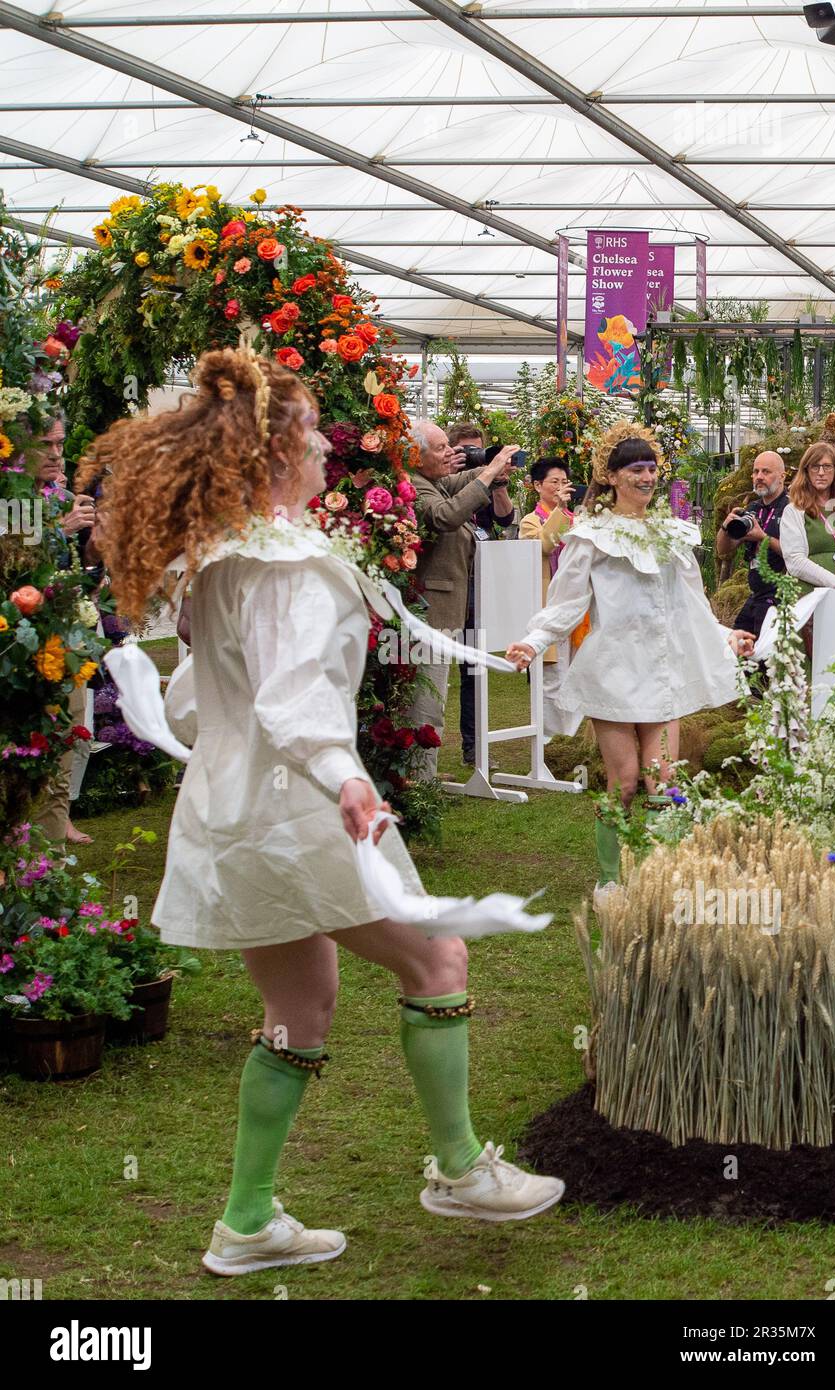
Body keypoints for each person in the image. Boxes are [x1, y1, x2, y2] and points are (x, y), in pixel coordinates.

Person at [93, 347, 564, 1277]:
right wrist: (341, 774)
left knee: (298, 1011)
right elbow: (294, 692)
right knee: (437, 958)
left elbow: (204, 696)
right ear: (272, 461)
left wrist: (240, 735)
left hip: (231, 810)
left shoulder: (222, 561)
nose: (326, 454)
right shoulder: (292, 563)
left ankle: (248, 1221)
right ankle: (462, 1168)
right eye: (311, 440)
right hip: (292, 807)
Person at [506, 422, 754, 900]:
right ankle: (609, 880)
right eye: (636, 469)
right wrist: (534, 643)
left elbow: (692, 604)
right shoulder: (592, 537)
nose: (647, 477)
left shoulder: (671, 535)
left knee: (664, 777)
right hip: (615, 672)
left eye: (651, 469)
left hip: (662, 672)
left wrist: (727, 637)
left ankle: (660, 881)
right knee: (622, 782)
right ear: (613, 476)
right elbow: (566, 604)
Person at [407, 421, 520, 777]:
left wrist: (493, 466)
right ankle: (419, 784)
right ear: (415, 455)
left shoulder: (433, 480)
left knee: (431, 699)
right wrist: (487, 475)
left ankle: (421, 775)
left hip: (442, 611)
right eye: (441, 449)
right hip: (429, 613)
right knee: (425, 706)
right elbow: (447, 515)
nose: (449, 455)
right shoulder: (414, 486)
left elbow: (459, 483)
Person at [32, 413, 97, 847]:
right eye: (47, 445)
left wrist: (95, 539)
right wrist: (59, 528)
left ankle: (50, 871)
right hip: (21, 649)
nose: (58, 454)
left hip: (66, 644)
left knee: (65, 754)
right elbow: (14, 560)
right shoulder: (9, 497)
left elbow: (76, 567)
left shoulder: (59, 494)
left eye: (61, 444)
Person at [447, 422, 516, 766]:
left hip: (479, 582)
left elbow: (504, 521)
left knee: (473, 668)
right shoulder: (443, 483)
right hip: (449, 581)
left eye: (479, 450)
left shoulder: (489, 483)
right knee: (423, 661)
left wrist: (498, 482)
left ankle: (473, 748)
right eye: (466, 452)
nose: (475, 457)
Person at [518, 458, 589, 734]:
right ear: (538, 486)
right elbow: (545, 545)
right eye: (554, 482)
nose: (561, 488)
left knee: (577, 672)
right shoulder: (530, 521)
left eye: (564, 482)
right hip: (549, 607)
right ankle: (549, 738)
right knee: (552, 676)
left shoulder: (577, 519)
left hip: (578, 607)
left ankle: (573, 735)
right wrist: (560, 510)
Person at [715, 450, 790, 640]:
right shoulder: (752, 509)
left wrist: (762, 537)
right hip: (756, 592)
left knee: (763, 659)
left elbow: (796, 554)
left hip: (781, 593)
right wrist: (726, 526)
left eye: (766, 471)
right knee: (738, 648)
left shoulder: (792, 508)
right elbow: (723, 550)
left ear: (782, 476)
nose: (759, 477)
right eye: (756, 472)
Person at [780, 442, 835, 594]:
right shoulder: (794, 511)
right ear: (806, 471)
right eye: (815, 466)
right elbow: (795, 561)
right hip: (809, 601)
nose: (821, 472)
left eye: (827, 466)